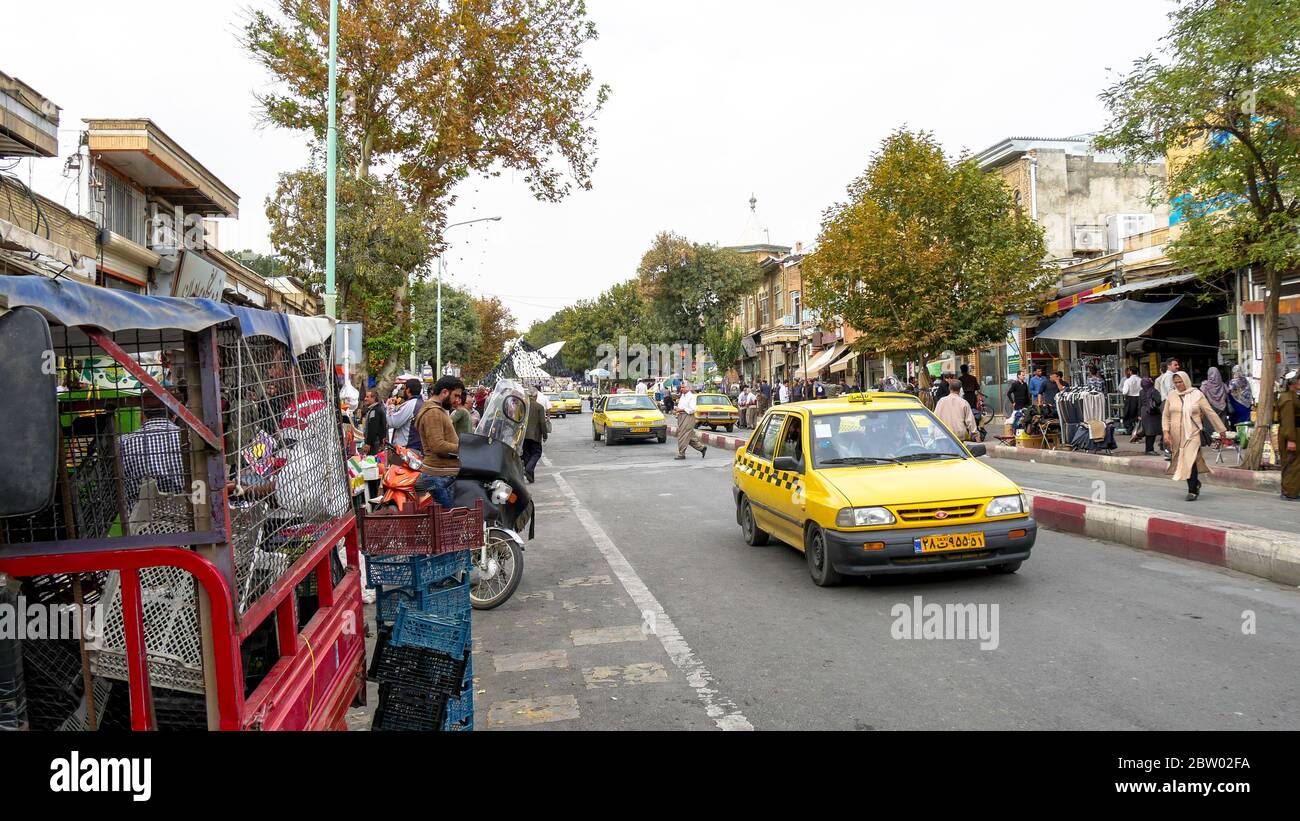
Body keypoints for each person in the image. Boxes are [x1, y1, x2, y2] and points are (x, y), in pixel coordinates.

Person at [1163, 371, 1231, 501]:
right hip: (1177, 434)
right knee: (1182, 461)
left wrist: (1221, 429)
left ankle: (1192, 490)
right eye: (1176, 382)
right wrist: (1166, 432)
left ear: (1186, 381)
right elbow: (1166, 416)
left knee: (1190, 460)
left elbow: (1209, 412)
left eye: (1180, 381)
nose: (1178, 385)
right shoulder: (1171, 395)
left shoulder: (1197, 394)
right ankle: (1195, 483)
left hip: (1193, 433)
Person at [411, 376, 465, 508]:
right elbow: (438, 445)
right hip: (439, 476)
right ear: (445, 392)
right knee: (449, 523)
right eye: (456, 395)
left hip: (441, 476)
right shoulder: (433, 413)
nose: (457, 400)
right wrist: (464, 448)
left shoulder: (436, 411)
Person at [120, 408, 186, 511]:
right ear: (174, 416)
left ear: (142, 415)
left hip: (141, 520)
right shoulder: (187, 438)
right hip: (186, 517)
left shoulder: (123, 442)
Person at [358, 389, 388, 500]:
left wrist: (368, 443)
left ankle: (374, 494)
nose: (365, 398)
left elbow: (373, 428)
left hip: (374, 444)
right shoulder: (374, 409)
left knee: (373, 467)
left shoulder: (375, 411)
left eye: (368, 396)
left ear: (374, 398)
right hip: (375, 443)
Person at [1277, 373, 1300, 500]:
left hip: (1296, 433)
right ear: (1294, 382)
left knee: (1295, 463)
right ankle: (1290, 492)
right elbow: (1288, 421)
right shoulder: (1288, 399)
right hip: (1292, 434)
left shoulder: (1292, 396)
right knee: (1292, 463)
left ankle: (1293, 490)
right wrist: (1291, 440)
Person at [386, 378, 424, 451]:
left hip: (407, 448)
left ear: (408, 390)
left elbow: (393, 422)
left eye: (404, 388)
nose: (403, 391)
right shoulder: (422, 402)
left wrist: (390, 406)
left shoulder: (410, 404)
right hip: (416, 446)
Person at [522, 388, 550, 483]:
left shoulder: (522, 406)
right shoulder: (539, 407)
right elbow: (542, 422)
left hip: (523, 435)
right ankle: (528, 470)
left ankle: (530, 477)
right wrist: (545, 435)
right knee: (536, 453)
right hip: (535, 435)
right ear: (535, 396)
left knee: (526, 454)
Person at [673, 384, 708, 460]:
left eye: (683, 387)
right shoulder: (683, 396)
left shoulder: (691, 397)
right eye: (681, 387)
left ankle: (681, 454)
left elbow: (692, 409)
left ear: (688, 388)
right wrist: (677, 410)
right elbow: (681, 406)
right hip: (681, 417)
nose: (681, 389)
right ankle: (701, 448)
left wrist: (681, 410)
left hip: (688, 417)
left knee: (683, 435)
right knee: (689, 436)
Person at [1137, 376, 1162, 455]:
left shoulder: (1141, 392)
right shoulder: (1154, 391)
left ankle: (1149, 449)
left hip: (1144, 412)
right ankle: (1149, 449)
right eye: (1150, 380)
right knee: (1151, 432)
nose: (1152, 381)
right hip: (1152, 412)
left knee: (1148, 432)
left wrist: (1139, 414)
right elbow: (1158, 401)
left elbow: (1139, 403)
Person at [1120, 367, 1142, 440]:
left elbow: (1125, 392)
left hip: (1130, 398)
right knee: (1137, 415)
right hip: (1139, 398)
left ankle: (1130, 430)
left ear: (1130, 371)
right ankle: (1138, 431)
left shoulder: (1128, 381)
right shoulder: (1140, 380)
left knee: (1128, 415)